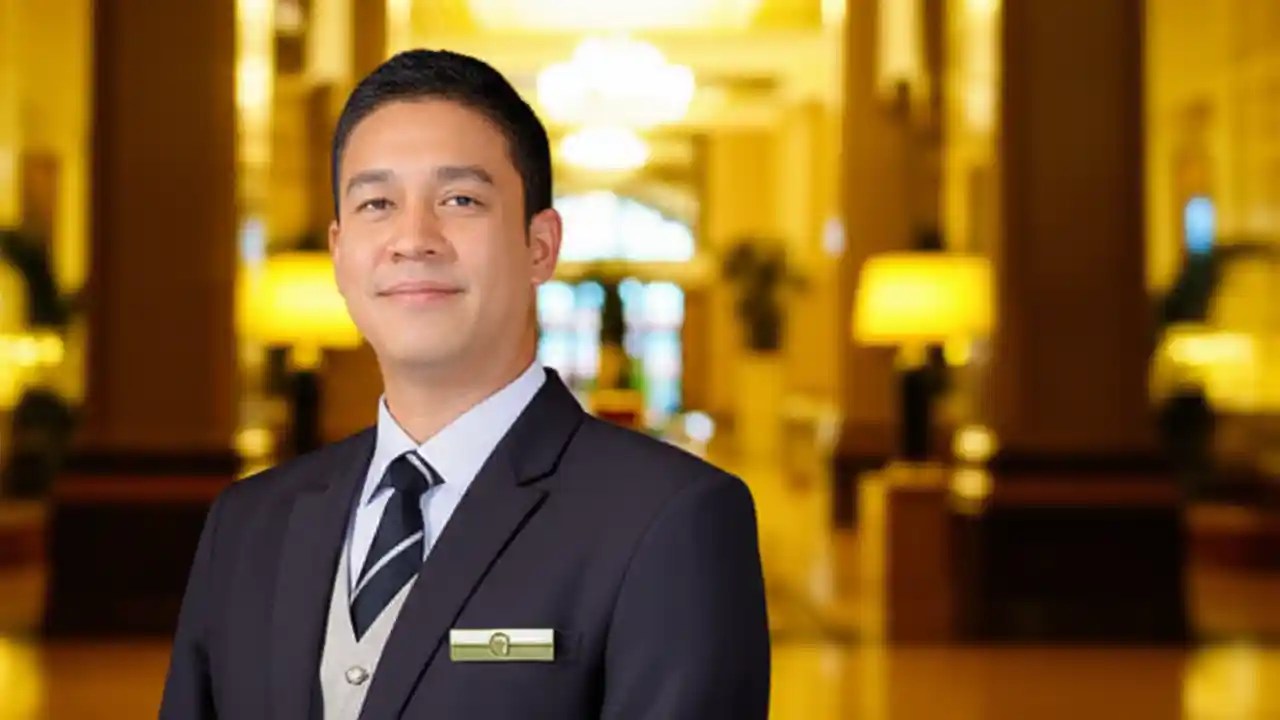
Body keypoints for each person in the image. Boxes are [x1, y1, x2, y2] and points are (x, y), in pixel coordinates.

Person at [159, 49, 770, 719]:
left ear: (540, 245)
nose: (413, 239)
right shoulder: (248, 524)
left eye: (460, 200)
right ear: (338, 252)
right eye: (376, 203)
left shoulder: (672, 519)